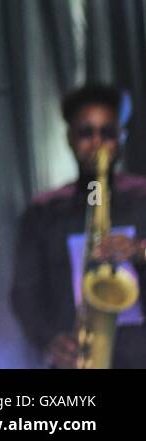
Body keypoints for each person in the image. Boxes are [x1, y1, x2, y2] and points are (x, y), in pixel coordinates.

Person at [10, 83, 146, 368]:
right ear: (70, 138)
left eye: (107, 133)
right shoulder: (43, 211)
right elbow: (24, 294)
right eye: (86, 133)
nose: (97, 143)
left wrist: (139, 250)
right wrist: (50, 340)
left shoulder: (142, 197)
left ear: (122, 137)